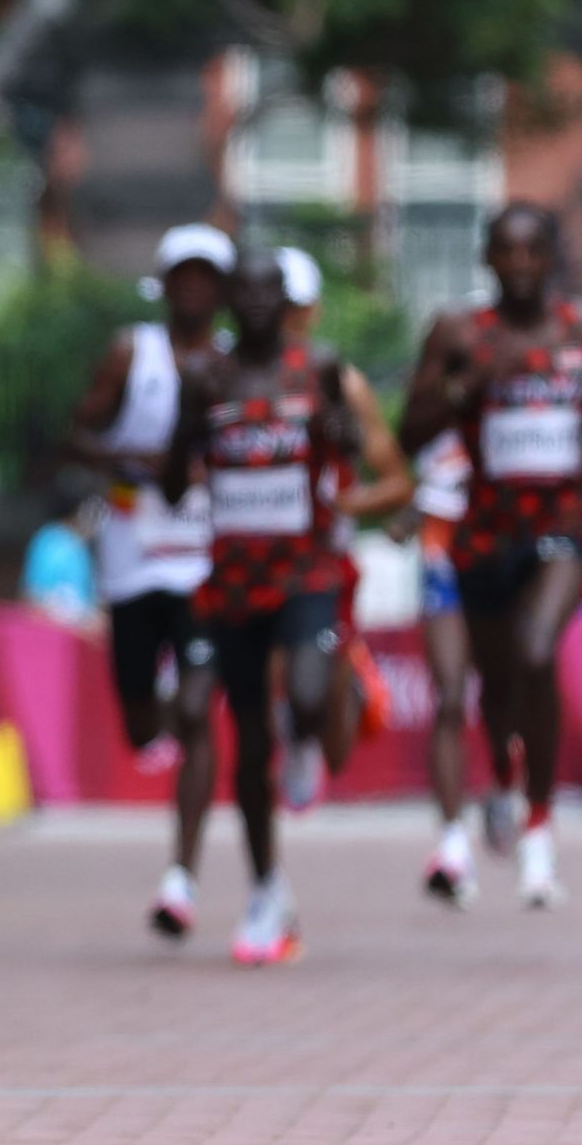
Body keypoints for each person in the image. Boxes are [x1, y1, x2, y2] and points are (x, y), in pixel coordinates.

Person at [396, 203, 582, 908]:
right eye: (508, 253)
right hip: (483, 533)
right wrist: (458, 393)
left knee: (538, 652)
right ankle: (505, 779)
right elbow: (409, 429)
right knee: (497, 687)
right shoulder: (458, 334)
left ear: (553, 259)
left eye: (535, 252)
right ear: (488, 261)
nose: (522, 266)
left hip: (563, 525)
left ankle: (539, 827)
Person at [163, 246, 358, 966]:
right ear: (224, 303)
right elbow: (175, 484)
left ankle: (308, 731)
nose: (251, 306)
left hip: (304, 568)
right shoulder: (205, 378)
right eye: (238, 294)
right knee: (247, 746)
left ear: (286, 302)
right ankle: (265, 887)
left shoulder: (319, 369)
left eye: (264, 294)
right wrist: (187, 432)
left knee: (305, 696)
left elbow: (354, 448)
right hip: (233, 579)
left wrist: (338, 435)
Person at [67, 223, 230, 939]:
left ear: (223, 291)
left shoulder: (235, 367)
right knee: (142, 727)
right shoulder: (135, 353)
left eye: (207, 277)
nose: (194, 289)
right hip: (134, 559)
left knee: (197, 715)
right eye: (182, 276)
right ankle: (167, 710)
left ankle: (181, 878)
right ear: (164, 287)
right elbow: (76, 433)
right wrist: (124, 458)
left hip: (203, 559)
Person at [275, 244, 409, 811]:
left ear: (313, 312)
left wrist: (340, 506)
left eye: (291, 306)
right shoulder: (224, 377)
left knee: (327, 716)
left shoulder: (341, 384)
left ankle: (325, 708)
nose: (278, 317)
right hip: (246, 557)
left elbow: (397, 481)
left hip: (322, 564)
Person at [406, 428, 477, 900]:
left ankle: (505, 791)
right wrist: (406, 509)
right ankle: (452, 841)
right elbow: (397, 471)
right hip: (443, 562)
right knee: (449, 698)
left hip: (502, 556)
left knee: (509, 699)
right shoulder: (427, 407)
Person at [19, 474, 101, 632]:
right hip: (56, 639)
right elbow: (35, 598)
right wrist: (82, 622)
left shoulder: (78, 545)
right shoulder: (52, 543)